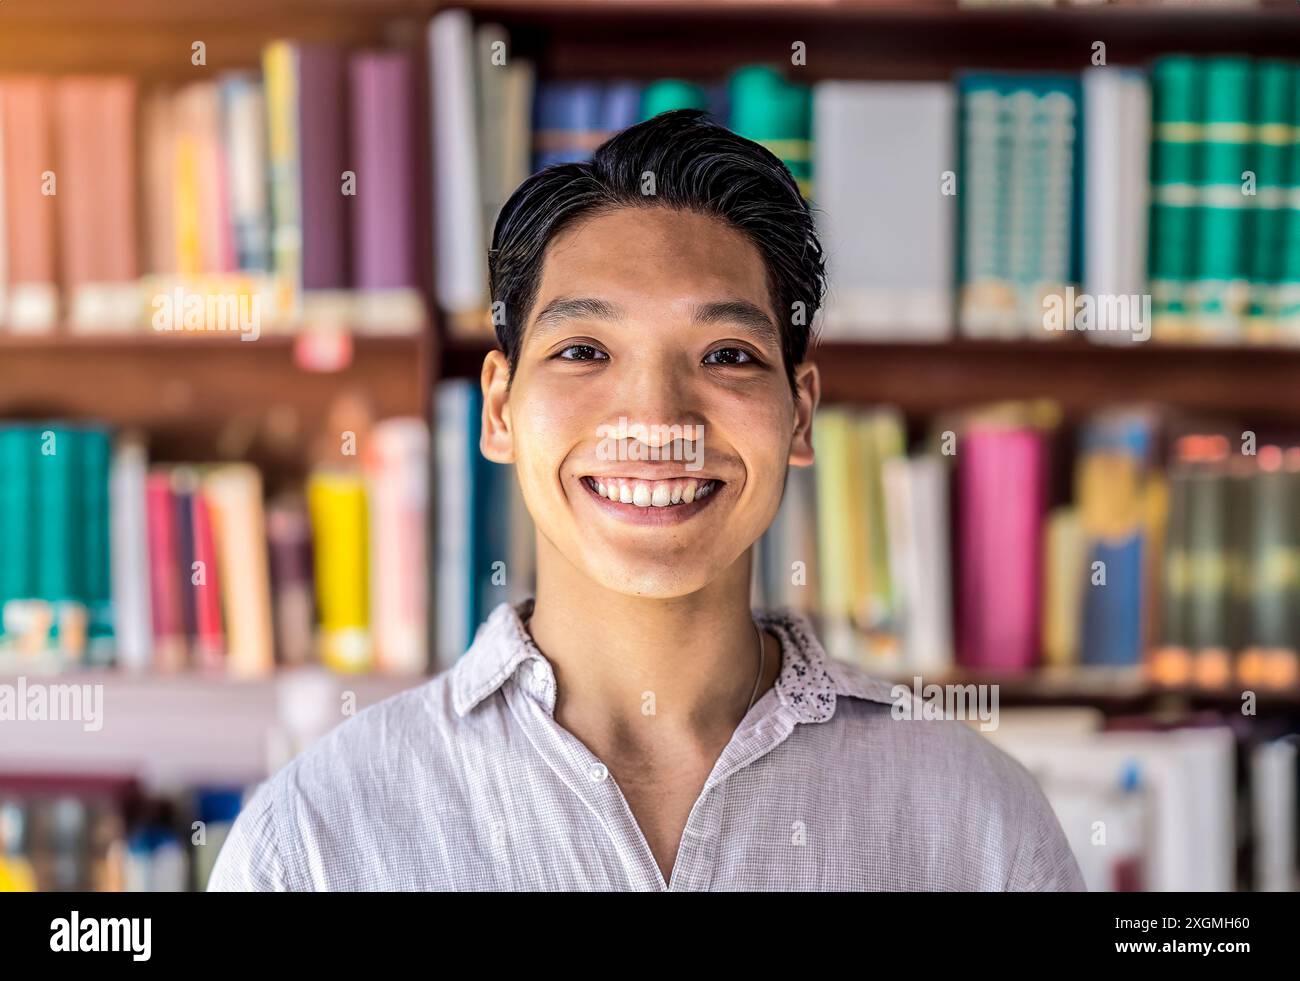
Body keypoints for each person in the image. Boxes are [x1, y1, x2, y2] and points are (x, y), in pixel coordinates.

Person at [209, 109, 1084, 891]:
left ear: (801, 413)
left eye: (728, 354)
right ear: (500, 409)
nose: (657, 418)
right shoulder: (315, 842)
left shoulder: (979, 827)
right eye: (585, 350)